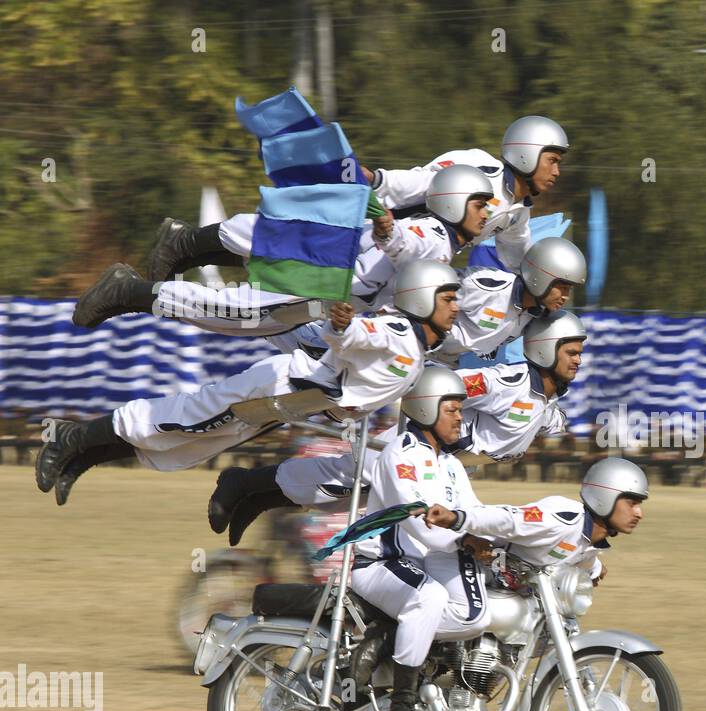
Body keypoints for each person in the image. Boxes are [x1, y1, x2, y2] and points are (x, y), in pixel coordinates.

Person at [36, 260, 461, 503]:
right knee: (182, 419)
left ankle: (84, 457)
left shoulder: (419, 349)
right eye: (448, 298)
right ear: (422, 298)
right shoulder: (399, 334)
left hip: (296, 404)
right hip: (282, 387)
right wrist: (343, 327)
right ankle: (71, 440)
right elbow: (355, 337)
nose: (455, 307)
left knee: (192, 444)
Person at [210, 309, 589, 544]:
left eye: (579, 353)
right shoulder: (509, 383)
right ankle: (242, 484)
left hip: (447, 463)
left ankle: (257, 498)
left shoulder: (546, 402)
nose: (578, 361)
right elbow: (450, 384)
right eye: (571, 353)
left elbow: (538, 421)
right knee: (346, 478)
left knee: (349, 497)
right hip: (422, 441)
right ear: (545, 349)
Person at [72, 165, 494, 335]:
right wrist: (388, 229)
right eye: (479, 204)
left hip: (330, 292)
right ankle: (126, 290)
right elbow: (406, 244)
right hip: (324, 284)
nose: (486, 212)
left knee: (241, 316)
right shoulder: (435, 235)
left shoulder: (445, 243)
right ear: (454, 201)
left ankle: (167, 259)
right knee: (231, 311)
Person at [343, 365, 492, 711]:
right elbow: (421, 525)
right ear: (425, 409)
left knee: (479, 605)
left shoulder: (452, 465)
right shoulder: (401, 456)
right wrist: (466, 540)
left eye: (461, 409)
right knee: (430, 597)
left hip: (420, 563)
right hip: (380, 564)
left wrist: (506, 538)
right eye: (452, 409)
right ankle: (401, 708)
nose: (461, 418)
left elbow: (474, 515)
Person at [365, 115, 569, 270]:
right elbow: (422, 181)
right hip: (379, 240)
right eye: (552, 161)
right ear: (527, 153)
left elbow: (517, 260)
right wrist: (378, 180)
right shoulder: (481, 167)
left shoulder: (518, 214)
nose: (556, 172)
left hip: (418, 264)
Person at [424, 456, 649, 589]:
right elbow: (507, 519)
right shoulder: (561, 518)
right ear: (605, 497)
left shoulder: (591, 543)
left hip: (503, 586)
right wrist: (457, 518)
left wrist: (595, 570)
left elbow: (579, 557)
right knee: (472, 620)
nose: (639, 513)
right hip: (464, 565)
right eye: (631, 503)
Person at [426, 237, 586, 367]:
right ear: (542, 277)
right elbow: (427, 288)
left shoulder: (535, 318)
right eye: (563, 288)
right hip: (419, 351)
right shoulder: (486, 286)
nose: (566, 297)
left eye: (569, 290)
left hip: (449, 366)